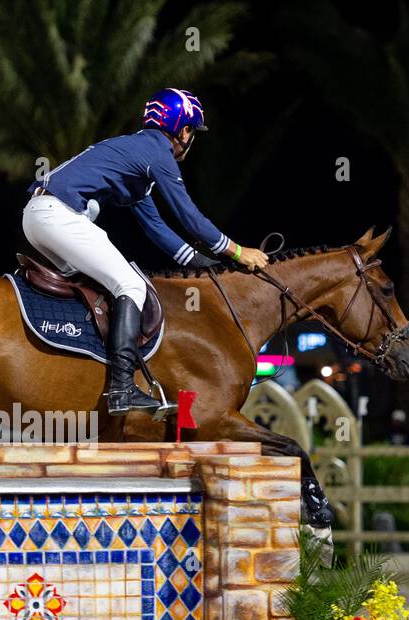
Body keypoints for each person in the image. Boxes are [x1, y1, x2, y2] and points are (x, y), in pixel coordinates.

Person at [22, 88, 271, 416]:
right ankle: (122, 389)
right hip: (58, 215)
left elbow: (157, 229)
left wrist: (204, 263)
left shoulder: (137, 155)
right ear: (183, 131)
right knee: (132, 285)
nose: (191, 139)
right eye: (192, 132)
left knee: (102, 289)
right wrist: (238, 252)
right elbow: (190, 218)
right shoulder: (157, 153)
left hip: (38, 217)